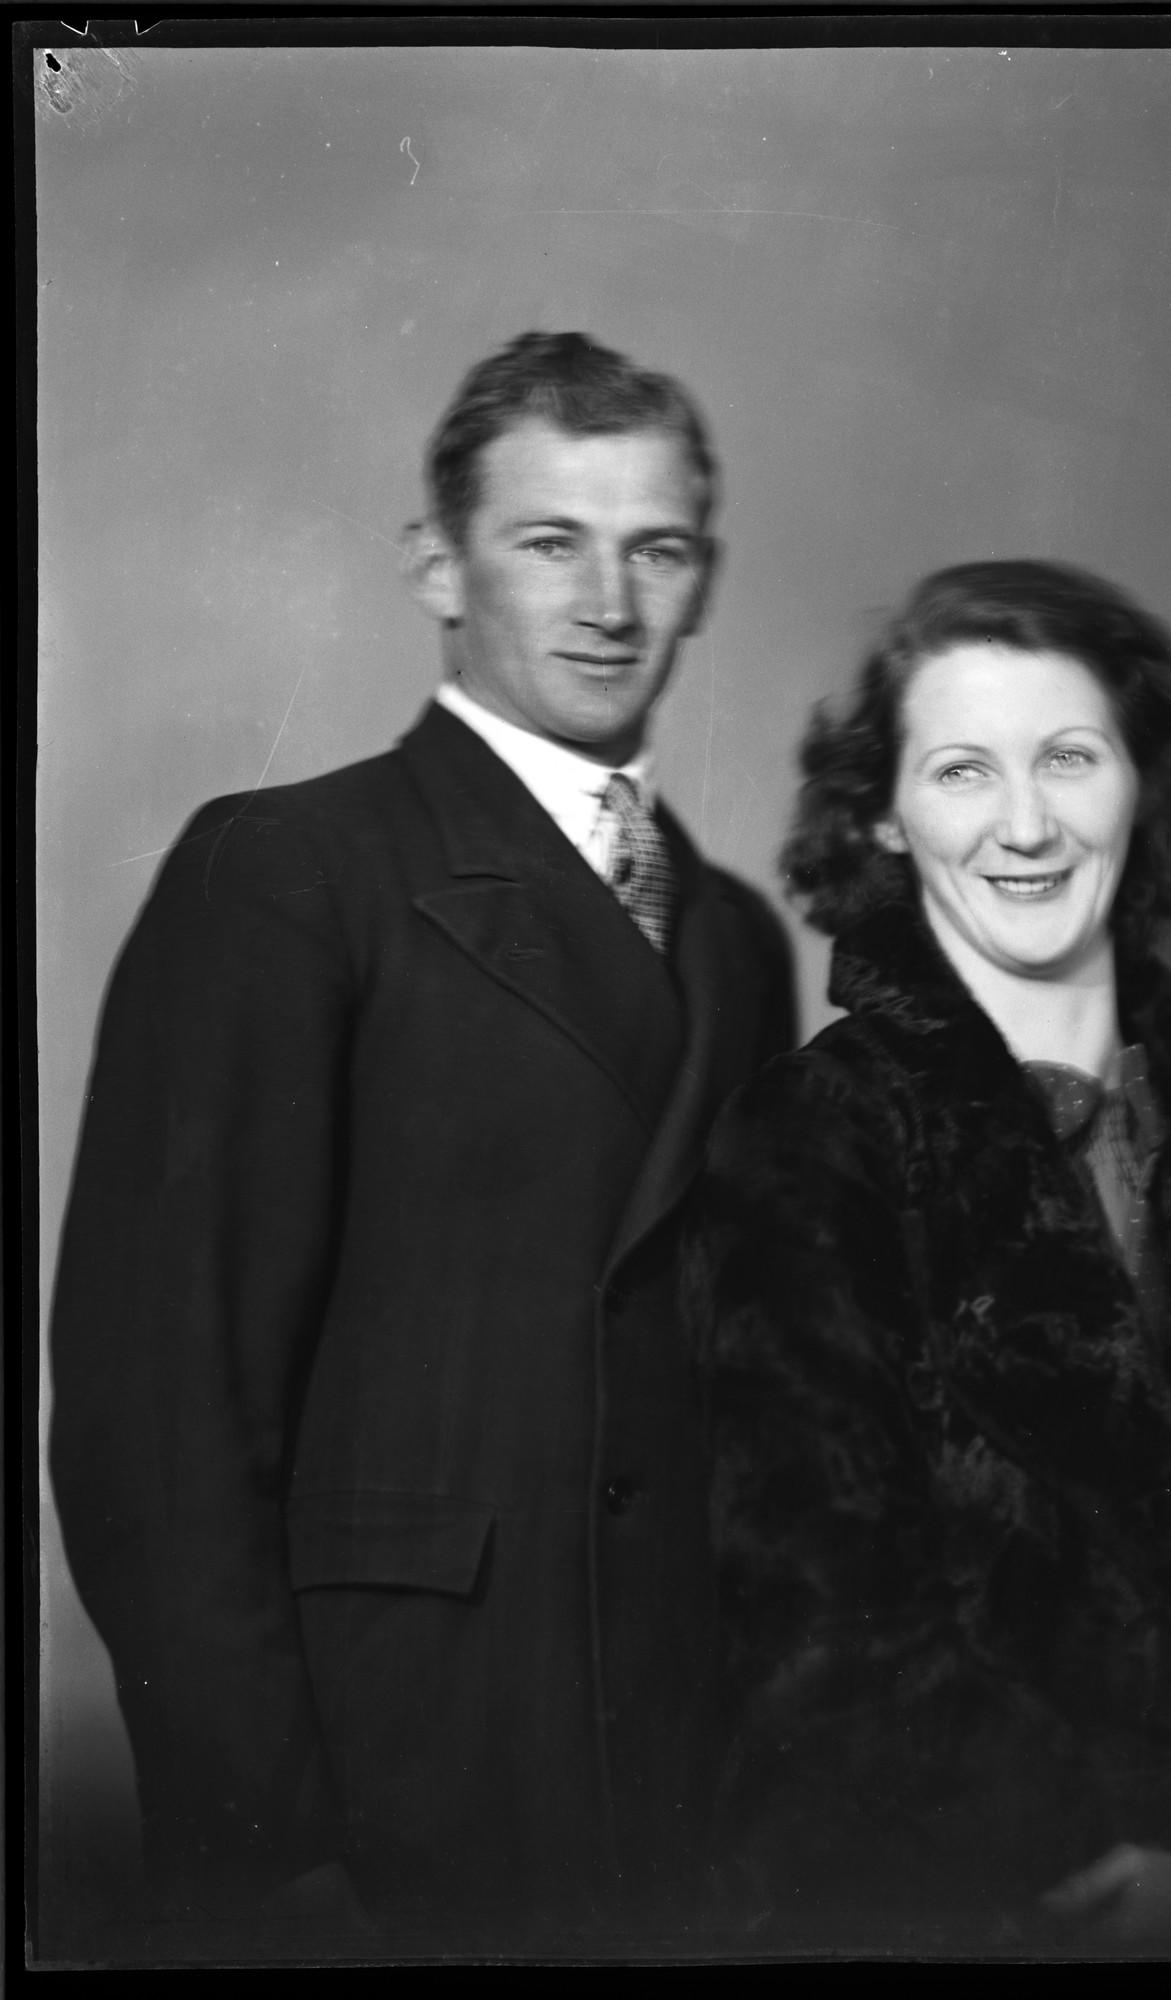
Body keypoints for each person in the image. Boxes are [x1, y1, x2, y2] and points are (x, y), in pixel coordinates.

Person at [49, 331, 795, 1952]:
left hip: (688, 1755)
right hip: (404, 1758)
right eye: (549, 541)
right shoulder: (292, 871)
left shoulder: (736, 936)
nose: (609, 600)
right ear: (438, 566)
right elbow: (157, 1414)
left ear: (703, 579)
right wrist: (267, 1845)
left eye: (653, 549)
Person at [690, 560, 1171, 1954]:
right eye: (963, 769)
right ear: (884, 818)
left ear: (1143, 789)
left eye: (1069, 759)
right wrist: (1113, 1877)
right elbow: (830, 1628)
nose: (1024, 825)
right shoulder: (807, 1146)